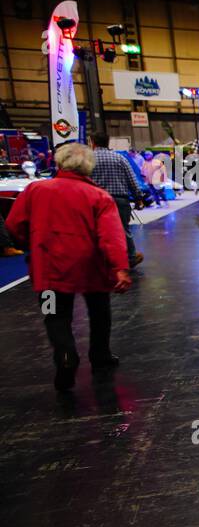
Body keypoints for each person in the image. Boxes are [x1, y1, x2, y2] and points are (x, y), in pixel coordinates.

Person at [4, 142, 132, 390]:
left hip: (48, 269)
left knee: (55, 316)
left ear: (59, 162)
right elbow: (111, 236)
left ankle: (65, 358)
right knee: (99, 312)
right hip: (90, 268)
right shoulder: (98, 196)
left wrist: (31, 242)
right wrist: (120, 268)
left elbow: (13, 225)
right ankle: (100, 356)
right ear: (88, 167)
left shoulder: (35, 190)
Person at [89, 131, 145, 268]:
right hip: (119, 200)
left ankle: (98, 259)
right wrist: (138, 198)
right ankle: (130, 257)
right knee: (123, 230)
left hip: (95, 202)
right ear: (107, 142)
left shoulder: (87, 159)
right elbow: (132, 180)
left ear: (93, 142)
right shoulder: (119, 158)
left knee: (95, 230)